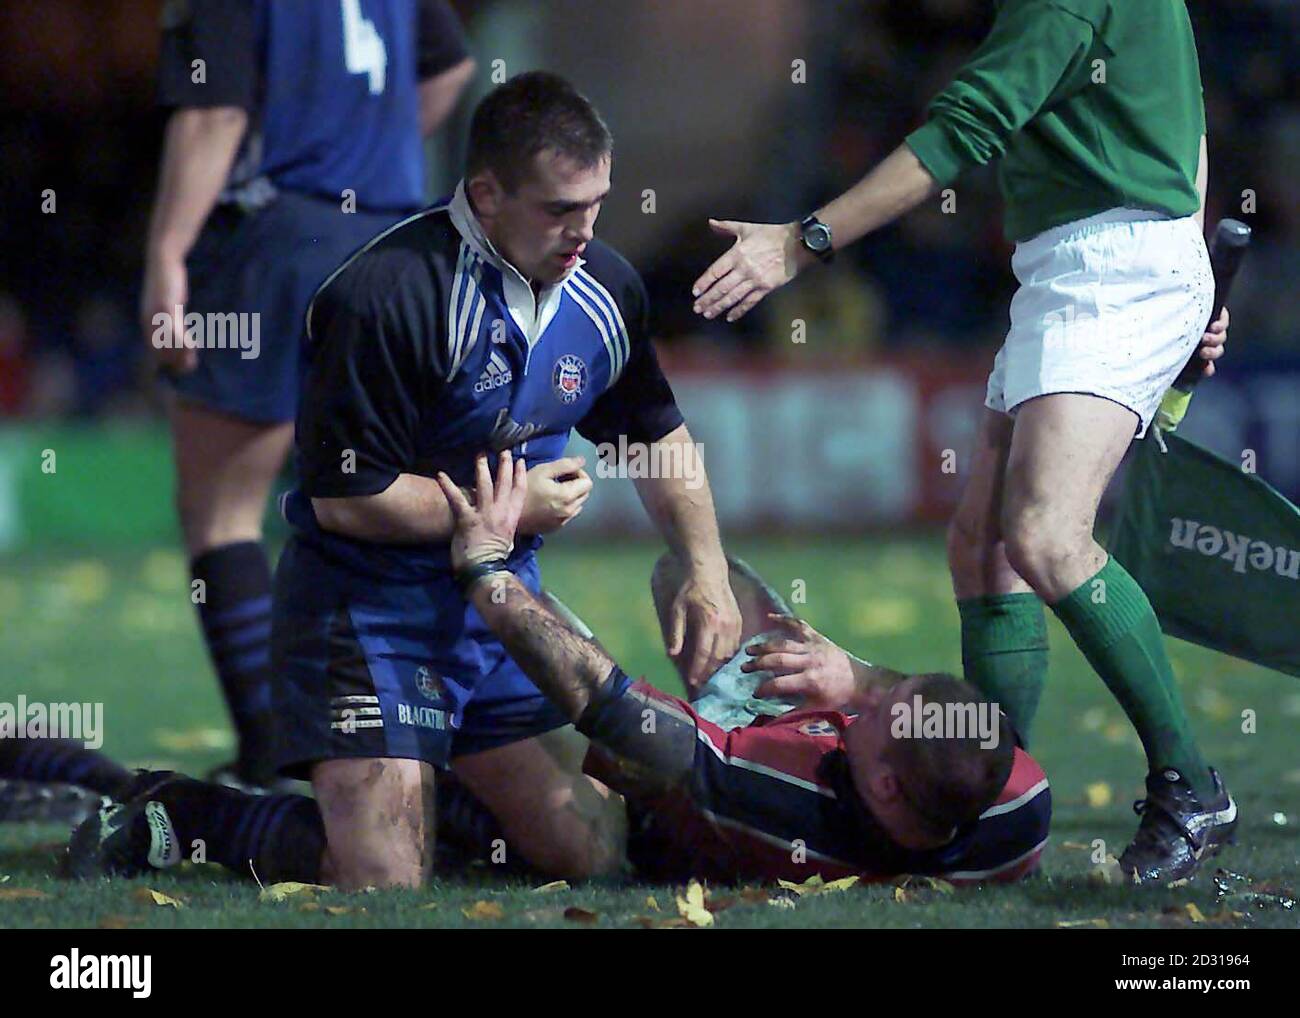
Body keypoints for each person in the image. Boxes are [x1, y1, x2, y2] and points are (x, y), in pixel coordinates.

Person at [689, 0, 1233, 884]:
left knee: (1046, 537)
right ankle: (997, 781)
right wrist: (1197, 262)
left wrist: (802, 243)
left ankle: (1192, 784)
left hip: (1115, 268)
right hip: (1080, 266)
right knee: (982, 550)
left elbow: (961, 131)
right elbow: (1188, 115)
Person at [67, 452, 1049, 888]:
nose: (858, 705)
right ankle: (425, 768)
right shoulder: (1010, 807)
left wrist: (492, 575)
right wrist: (858, 677)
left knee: (497, 847)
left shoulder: (774, 794)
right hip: (704, 733)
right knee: (708, 600)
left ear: (874, 781)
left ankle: (184, 812)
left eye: (869, 719)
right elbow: (926, 721)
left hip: (655, 791)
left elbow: (608, 707)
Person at [267, 71, 740, 888]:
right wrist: (516, 509)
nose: (584, 230)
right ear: (485, 193)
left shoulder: (606, 291)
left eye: (597, 203)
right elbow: (347, 499)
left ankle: (424, 789)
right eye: (559, 209)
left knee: (591, 855)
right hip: (368, 614)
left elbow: (658, 437)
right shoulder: (389, 296)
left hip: (500, 614)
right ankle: (185, 815)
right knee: (383, 886)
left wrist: (707, 569)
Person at [141, 0, 475, 791]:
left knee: (222, 509)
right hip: (396, 238)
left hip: (279, 238)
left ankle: (275, 758)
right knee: (394, 497)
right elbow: (451, 66)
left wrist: (166, 253)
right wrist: (371, 153)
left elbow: (215, 113)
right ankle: (438, 754)